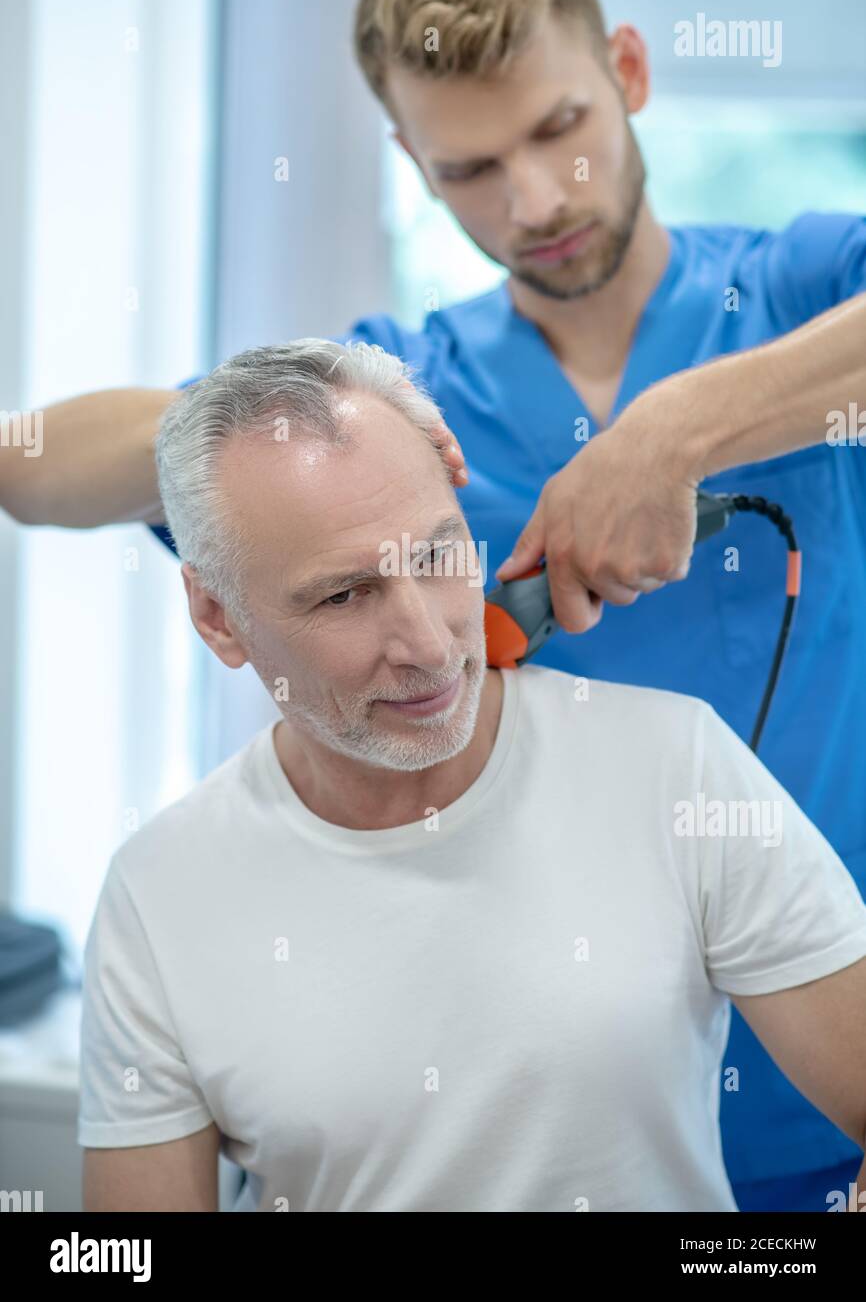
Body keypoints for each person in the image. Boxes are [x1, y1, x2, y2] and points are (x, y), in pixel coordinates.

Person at [3, 0, 865, 1208]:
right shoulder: (410, 404)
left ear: (628, 72)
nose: (532, 202)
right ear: (410, 161)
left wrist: (675, 432)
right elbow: (29, 465)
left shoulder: (795, 295)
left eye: (558, 129)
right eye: (467, 167)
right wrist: (263, 435)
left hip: (812, 1106)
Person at [78, 340, 866, 1213]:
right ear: (217, 617)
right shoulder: (160, 895)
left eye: (439, 555)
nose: (428, 645)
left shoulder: (677, 771)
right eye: (345, 596)